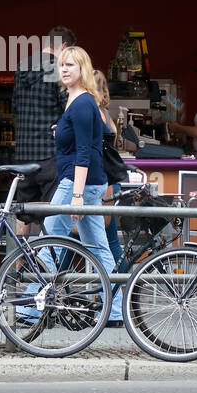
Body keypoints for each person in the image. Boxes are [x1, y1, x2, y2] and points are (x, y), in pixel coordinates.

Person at [43, 45, 118, 321]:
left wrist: (76, 196)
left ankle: (34, 305)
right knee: (98, 248)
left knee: (47, 240)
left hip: (78, 183)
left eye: (71, 65)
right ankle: (115, 309)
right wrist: (61, 131)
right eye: (62, 65)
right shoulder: (75, 99)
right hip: (84, 182)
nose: (64, 69)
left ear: (82, 69)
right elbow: (80, 140)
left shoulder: (84, 102)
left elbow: (85, 151)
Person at [11, 25, 72, 234]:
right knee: (51, 209)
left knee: (22, 210)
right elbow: (69, 108)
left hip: (23, 154)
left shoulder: (22, 67)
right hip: (49, 152)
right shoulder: (59, 69)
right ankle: (46, 263)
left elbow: (15, 106)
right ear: (63, 46)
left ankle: (18, 263)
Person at [94, 70, 123, 265]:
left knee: (110, 240)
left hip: (103, 184)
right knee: (111, 240)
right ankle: (121, 282)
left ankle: (122, 282)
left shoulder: (94, 114)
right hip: (110, 181)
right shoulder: (106, 114)